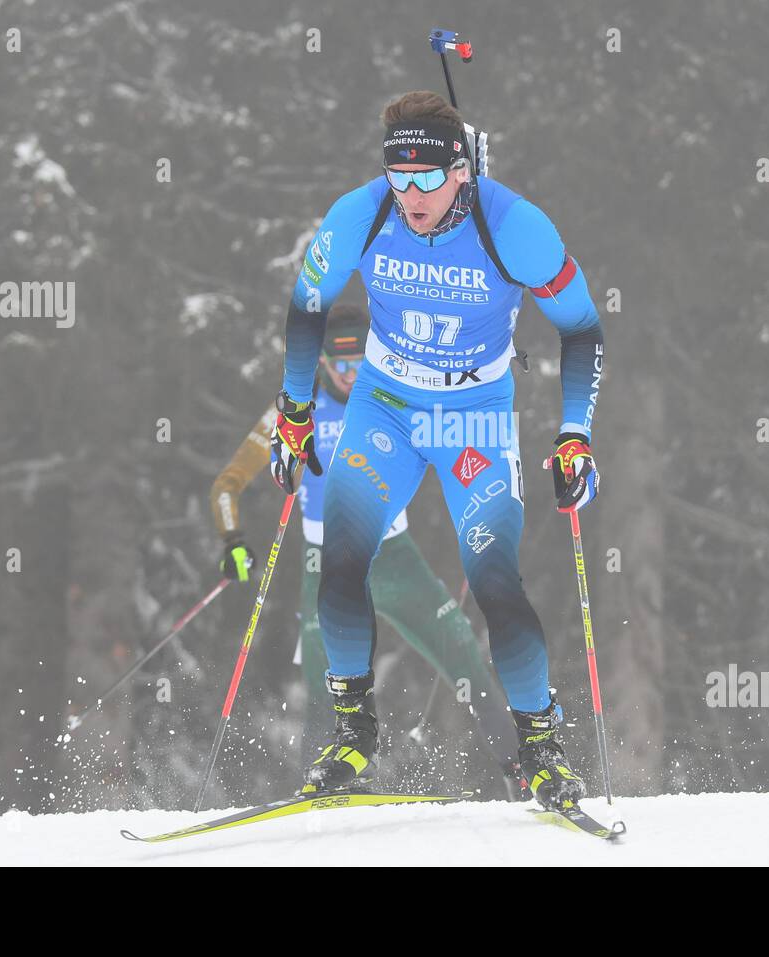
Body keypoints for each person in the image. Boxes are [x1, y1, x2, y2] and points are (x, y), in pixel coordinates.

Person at [270, 91, 603, 809]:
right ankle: (352, 730)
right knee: (343, 556)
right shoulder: (363, 212)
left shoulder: (512, 225)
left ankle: (541, 748)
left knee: (493, 580)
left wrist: (575, 430)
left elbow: (581, 327)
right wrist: (296, 411)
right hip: (385, 405)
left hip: (473, 416)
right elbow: (307, 304)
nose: (411, 194)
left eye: (427, 177)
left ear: (462, 169)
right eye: (398, 174)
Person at [211, 305, 523, 799]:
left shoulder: (391, 400)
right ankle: (324, 794)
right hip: (326, 564)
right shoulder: (295, 411)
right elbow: (227, 485)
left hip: (394, 557)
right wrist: (232, 542)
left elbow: (464, 451)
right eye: (339, 364)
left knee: (463, 653)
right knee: (328, 687)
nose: (350, 374)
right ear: (321, 362)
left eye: (360, 363)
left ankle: (521, 772)